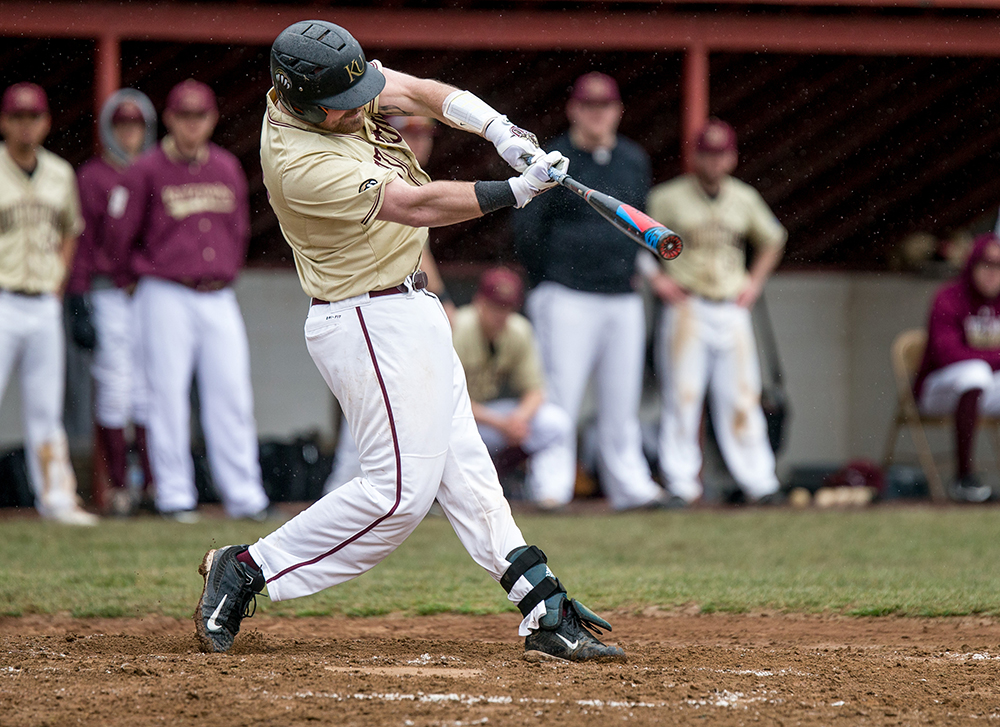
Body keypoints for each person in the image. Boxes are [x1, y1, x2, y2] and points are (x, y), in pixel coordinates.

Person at [194, 19, 624, 664]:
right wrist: (515, 191)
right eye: (343, 104)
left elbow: (422, 93)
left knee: (467, 469)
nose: (360, 105)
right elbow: (416, 205)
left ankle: (543, 606)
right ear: (304, 103)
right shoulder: (300, 163)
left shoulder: (328, 88)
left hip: (411, 305)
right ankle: (248, 567)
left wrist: (503, 134)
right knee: (398, 495)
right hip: (362, 318)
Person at [108, 79, 271, 522]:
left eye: (200, 115)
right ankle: (174, 496)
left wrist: (227, 269)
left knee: (232, 394)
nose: (192, 124)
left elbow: (239, 229)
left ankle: (245, 496)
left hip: (217, 293)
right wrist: (131, 282)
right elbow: (120, 236)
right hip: (165, 291)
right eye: (184, 115)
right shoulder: (146, 169)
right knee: (167, 396)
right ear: (170, 118)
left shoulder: (226, 167)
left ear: (212, 118)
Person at [511, 71, 667, 511]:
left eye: (606, 107)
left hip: (621, 294)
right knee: (561, 396)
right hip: (566, 293)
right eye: (589, 106)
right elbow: (527, 230)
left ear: (617, 111)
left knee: (623, 397)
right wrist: (551, 278)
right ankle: (551, 484)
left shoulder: (634, 159)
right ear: (574, 109)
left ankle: (629, 484)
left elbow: (639, 223)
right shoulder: (554, 159)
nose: (598, 115)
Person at [645, 118, 786, 505]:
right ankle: (681, 484)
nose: (713, 161)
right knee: (682, 395)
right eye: (706, 153)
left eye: (720, 153)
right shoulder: (668, 197)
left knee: (741, 396)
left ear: (732, 157)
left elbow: (774, 238)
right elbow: (637, 239)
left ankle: (759, 481)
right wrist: (656, 279)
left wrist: (754, 282)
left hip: (730, 303)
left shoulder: (744, 197)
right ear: (694, 156)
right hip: (687, 303)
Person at [324, 115, 453, 493]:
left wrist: (438, 298)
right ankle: (335, 499)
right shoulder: (375, 170)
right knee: (371, 416)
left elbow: (418, 252)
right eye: (410, 131)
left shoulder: (408, 175)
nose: (420, 141)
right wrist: (442, 299)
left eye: (425, 133)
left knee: (394, 413)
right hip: (363, 306)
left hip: (394, 306)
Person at [0, 82, 96, 525]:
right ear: (4, 121)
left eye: (33, 116)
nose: (26, 124)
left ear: (46, 121)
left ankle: (56, 499)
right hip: (3, 296)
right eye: (18, 116)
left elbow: (70, 231)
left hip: (41, 301)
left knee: (45, 408)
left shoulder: (59, 172)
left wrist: (58, 283)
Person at [65, 89, 158, 516]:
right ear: (108, 129)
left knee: (150, 390)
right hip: (109, 292)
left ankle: (153, 485)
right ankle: (119, 486)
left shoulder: (157, 171)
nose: (129, 133)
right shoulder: (93, 177)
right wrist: (78, 294)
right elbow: (82, 243)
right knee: (115, 388)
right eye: (121, 125)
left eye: (136, 125)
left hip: (151, 292)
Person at [452, 267, 575, 509]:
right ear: (479, 302)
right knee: (445, 434)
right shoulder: (459, 326)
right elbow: (446, 400)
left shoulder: (519, 329)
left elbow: (536, 390)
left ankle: (550, 496)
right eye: (495, 306)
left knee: (555, 422)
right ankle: (451, 498)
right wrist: (502, 424)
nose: (501, 314)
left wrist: (518, 419)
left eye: (507, 307)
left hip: (489, 418)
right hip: (456, 419)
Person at [913, 232, 1000, 503]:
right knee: (975, 373)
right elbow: (947, 354)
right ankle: (964, 479)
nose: (992, 274)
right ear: (971, 265)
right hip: (937, 391)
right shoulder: (948, 297)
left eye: (999, 267)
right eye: (986, 265)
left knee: (980, 373)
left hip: (981, 391)